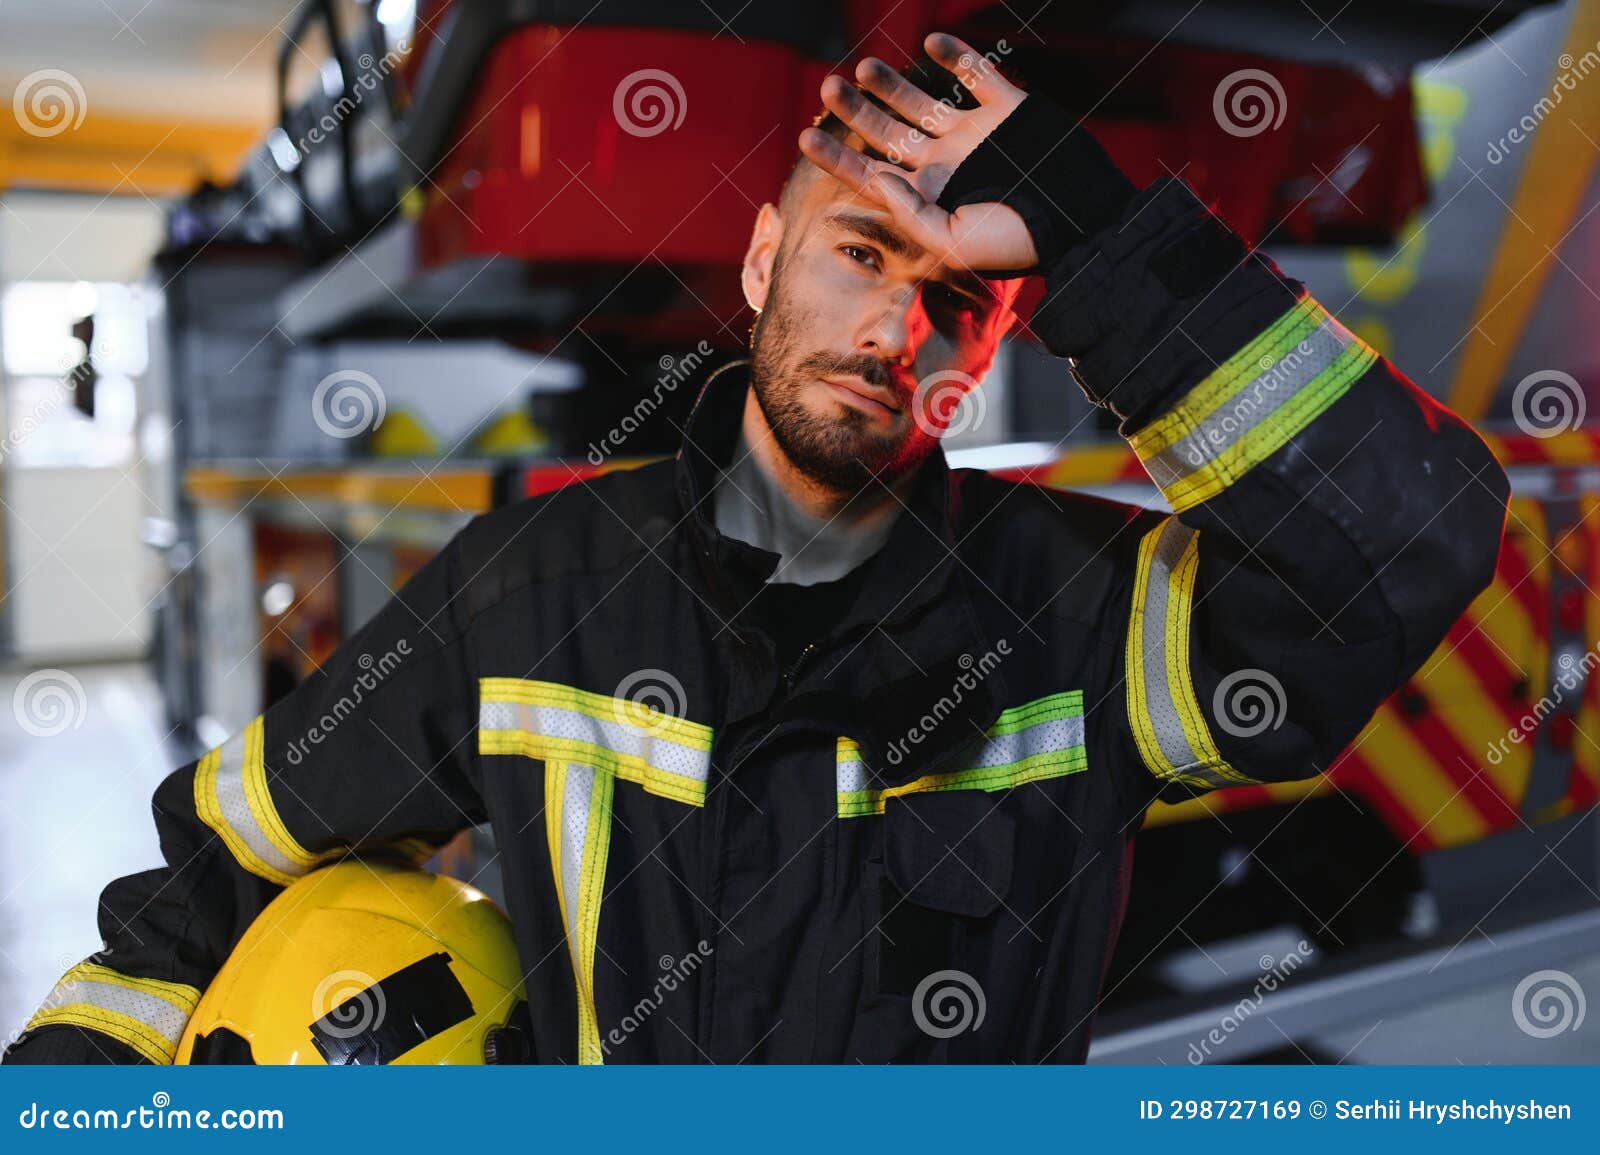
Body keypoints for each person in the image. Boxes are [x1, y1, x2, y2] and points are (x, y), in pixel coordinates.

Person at [5, 32, 1507, 1065]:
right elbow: (215, 868)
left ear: (996, 342)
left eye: (958, 295)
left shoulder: (1076, 612)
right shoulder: (530, 590)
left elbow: (1401, 542)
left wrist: (1108, 240)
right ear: (760, 261)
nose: (895, 328)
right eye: (862, 252)